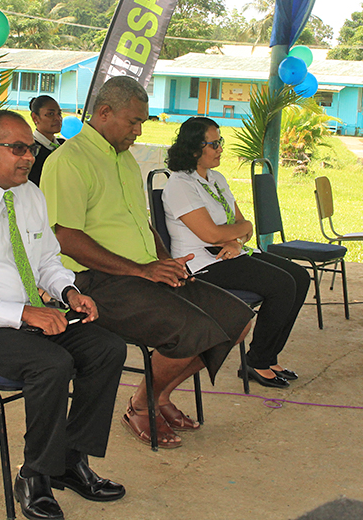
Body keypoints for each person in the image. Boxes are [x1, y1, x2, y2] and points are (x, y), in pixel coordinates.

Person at [0, 109, 126, 520]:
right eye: (17, 148)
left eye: (30, 148)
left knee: (107, 348)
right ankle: (35, 476)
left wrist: (68, 290)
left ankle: (71, 461)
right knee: (52, 362)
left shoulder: (28, 194)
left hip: (29, 314)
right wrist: (22, 313)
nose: (29, 157)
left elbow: (46, 257)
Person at [40, 76, 254, 449]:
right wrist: (141, 270)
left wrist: (166, 260)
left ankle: (155, 396)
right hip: (95, 281)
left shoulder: (124, 160)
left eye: (142, 122)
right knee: (189, 330)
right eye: (133, 121)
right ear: (104, 113)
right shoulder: (68, 160)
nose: (139, 131)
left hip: (142, 273)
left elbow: (143, 223)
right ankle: (142, 406)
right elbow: (65, 237)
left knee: (236, 320)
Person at [163, 117, 307, 389]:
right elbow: (211, 235)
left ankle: (269, 356)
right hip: (202, 264)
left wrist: (238, 241)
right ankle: (257, 360)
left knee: (299, 277)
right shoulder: (180, 185)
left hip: (231, 253)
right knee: (282, 285)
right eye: (214, 144)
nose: (220, 149)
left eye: (220, 142)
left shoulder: (217, 179)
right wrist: (236, 233)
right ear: (195, 148)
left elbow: (245, 225)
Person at [28, 95, 64, 186]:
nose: (58, 118)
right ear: (35, 118)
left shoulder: (64, 145)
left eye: (59, 114)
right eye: (50, 114)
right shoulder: (29, 151)